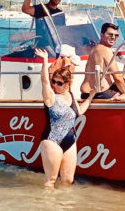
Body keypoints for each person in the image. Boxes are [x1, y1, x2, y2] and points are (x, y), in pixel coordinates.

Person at [37, 50, 96, 188]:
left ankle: (64, 208)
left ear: (67, 84)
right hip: (52, 140)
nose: (55, 85)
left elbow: (80, 111)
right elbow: (44, 81)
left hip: (70, 141)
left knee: (68, 181)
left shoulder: (70, 94)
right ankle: (47, 208)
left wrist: (91, 96)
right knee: (51, 180)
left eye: (59, 83)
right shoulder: (50, 97)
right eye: (54, 82)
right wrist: (45, 61)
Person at [82, 22, 125, 100]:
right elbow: (117, 76)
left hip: (85, 94)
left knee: (124, 79)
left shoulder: (94, 48)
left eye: (116, 35)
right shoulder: (106, 50)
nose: (113, 37)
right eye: (110, 35)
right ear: (102, 35)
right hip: (100, 93)